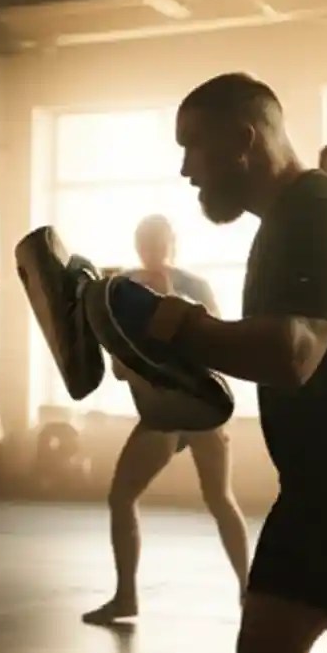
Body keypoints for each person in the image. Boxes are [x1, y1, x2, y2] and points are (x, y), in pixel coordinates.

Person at [86, 73, 327, 653]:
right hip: (314, 489)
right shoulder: (282, 223)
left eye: (193, 146)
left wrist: (170, 321)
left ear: (243, 140)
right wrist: (144, 342)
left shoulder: (320, 212)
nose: (186, 169)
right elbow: (252, 350)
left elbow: (292, 353)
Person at [83, 214, 249, 625]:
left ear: (172, 241)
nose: (152, 248)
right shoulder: (123, 291)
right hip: (159, 410)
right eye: (146, 241)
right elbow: (122, 365)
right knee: (122, 496)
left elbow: (216, 349)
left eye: (158, 240)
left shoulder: (194, 286)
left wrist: (171, 304)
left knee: (219, 498)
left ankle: (250, 592)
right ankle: (126, 596)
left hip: (196, 405)